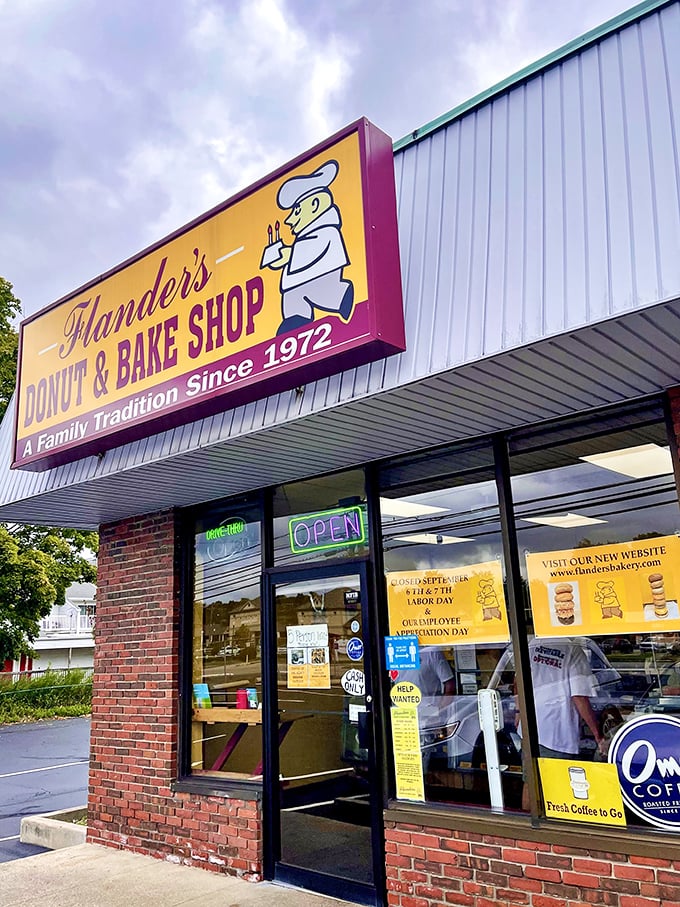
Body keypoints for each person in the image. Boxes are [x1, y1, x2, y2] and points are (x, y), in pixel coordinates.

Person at [261, 159, 354, 335]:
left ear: (315, 205)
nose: (289, 220)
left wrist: (290, 254)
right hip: (297, 284)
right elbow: (299, 253)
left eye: (296, 211)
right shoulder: (303, 237)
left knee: (320, 294)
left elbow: (315, 249)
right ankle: (296, 320)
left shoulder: (327, 229)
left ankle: (343, 296)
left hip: (321, 278)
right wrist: (278, 258)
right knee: (294, 298)